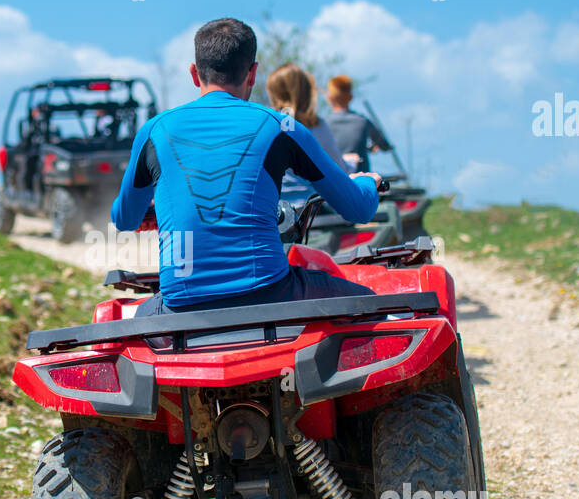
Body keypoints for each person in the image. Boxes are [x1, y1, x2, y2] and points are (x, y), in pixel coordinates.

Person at [111, 18, 382, 316]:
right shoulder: (282, 126)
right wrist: (368, 181)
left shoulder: (153, 130)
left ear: (193, 73)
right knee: (371, 304)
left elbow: (124, 219)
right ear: (253, 73)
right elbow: (358, 209)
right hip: (270, 293)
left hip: (180, 306)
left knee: (137, 315)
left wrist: (150, 208)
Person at [265, 64, 348, 193]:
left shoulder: (266, 123)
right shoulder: (317, 125)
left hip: (273, 203)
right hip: (309, 205)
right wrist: (351, 163)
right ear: (306, 91)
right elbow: (339, 169)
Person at [325, 75, 388, 173]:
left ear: (330, 98)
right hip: (359, 180)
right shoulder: (363, 122)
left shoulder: (324, 124)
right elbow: (384, 145)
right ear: (351, 97)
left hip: (333, 180)